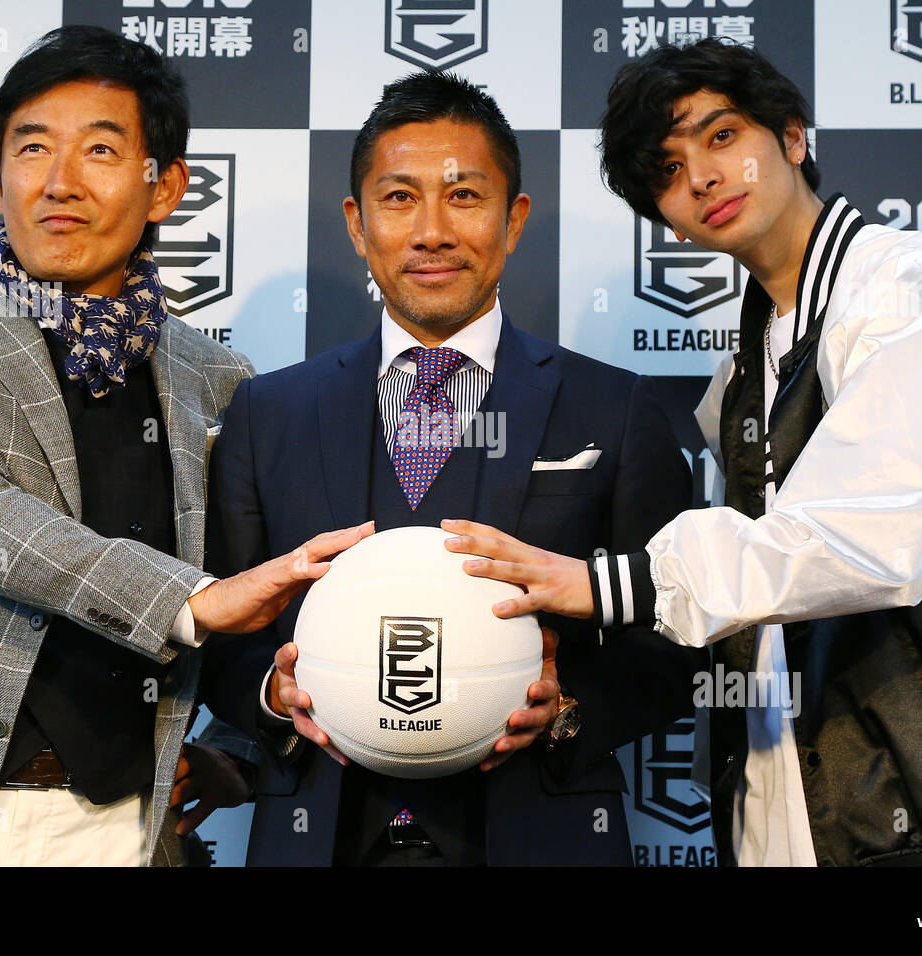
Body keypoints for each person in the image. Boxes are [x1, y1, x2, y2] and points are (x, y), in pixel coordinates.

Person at [443, 38, 922, 867]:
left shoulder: (907, 288)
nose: (700, 177)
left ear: (792, 136)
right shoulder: (742, 368)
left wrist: (609, 582)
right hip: (782, 806)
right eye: (667, 171)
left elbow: (878, 534)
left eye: (721, 136)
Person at [0, 25, 370, 868]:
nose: (59, 183)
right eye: (32, 150)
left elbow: (253, 603)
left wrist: (238, 734)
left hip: (130, 829)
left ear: (165, 185)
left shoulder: (219, 380)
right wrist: (192, 601)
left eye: (100, 150)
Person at [201, 71, 706, 866]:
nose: (432, 230)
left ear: (514, 220)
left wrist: (567, 709)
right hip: (317, 837)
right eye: (399, 198)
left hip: (541, 834)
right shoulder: (270, 413)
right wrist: (273, 695)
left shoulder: (614, 409)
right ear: (357, 224)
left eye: (464, 196)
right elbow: (219, 629)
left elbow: (675, 634)